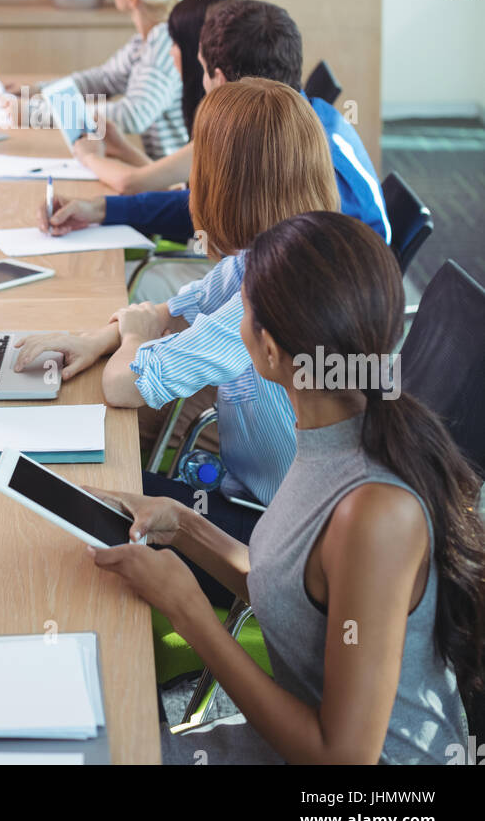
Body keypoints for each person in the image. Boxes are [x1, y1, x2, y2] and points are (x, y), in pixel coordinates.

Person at [86, 212, 484, 765]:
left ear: (268, 350)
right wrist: (186, 525)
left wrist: (187, 610)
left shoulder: (374, 511)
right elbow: (296, 592)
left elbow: (343, 761)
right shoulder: (332, 429)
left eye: (240, 309)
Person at [15, 79, 341, 606]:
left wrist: (132, 340)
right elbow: (169, 310)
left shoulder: (267, 296)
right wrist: (99, 338)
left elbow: (124, 385)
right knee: (88, 479)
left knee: (77, 504)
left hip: (275, 542)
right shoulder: (275, 253)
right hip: (270, 504)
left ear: (220, 183)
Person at [42, 0, 391, 263]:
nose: (201, 84)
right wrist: (100, 210)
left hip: (324, 325)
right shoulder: (301, 120)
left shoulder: (281, 158)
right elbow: (201, 208)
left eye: (204, 72)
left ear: (221, 80)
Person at [4, 0, 188, 160]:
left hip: (167, 181)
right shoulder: (146, 41)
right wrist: (36, 92)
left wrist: (36, 113)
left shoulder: (165, 43)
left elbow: (133, 115)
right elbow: (102, 79)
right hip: (150, 168)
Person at [71, 0, 238, 194]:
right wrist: (123, 149)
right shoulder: (217, 111)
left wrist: (90, 158)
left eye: (176, 44)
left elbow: (130, 183)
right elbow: (179, 189)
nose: (170, 52)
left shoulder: (225, 126)